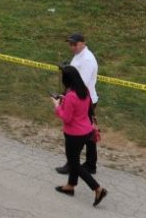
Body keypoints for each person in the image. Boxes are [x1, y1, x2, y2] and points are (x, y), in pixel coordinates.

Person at [51, 65, 107, 207]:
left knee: (74, 163)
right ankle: (70, 185)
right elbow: (81, 108)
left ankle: (97, 188)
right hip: (85, 131)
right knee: (74, 159)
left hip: (73, 134)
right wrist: (65, 100)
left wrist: (57, 105)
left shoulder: (71, 96)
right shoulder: (85, 91)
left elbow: (66, 118)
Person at [57, 32, 100, 176]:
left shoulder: (87, 59)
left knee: (76, 133)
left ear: (83, 43)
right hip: (81, 98)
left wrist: (68, 94)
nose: (72, 47)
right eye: (70, 44)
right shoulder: (79, 55)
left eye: (75, 44)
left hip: (84, 100)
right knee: (87, 134)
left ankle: (73, 164)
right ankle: (90, 164)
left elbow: (82, 83)